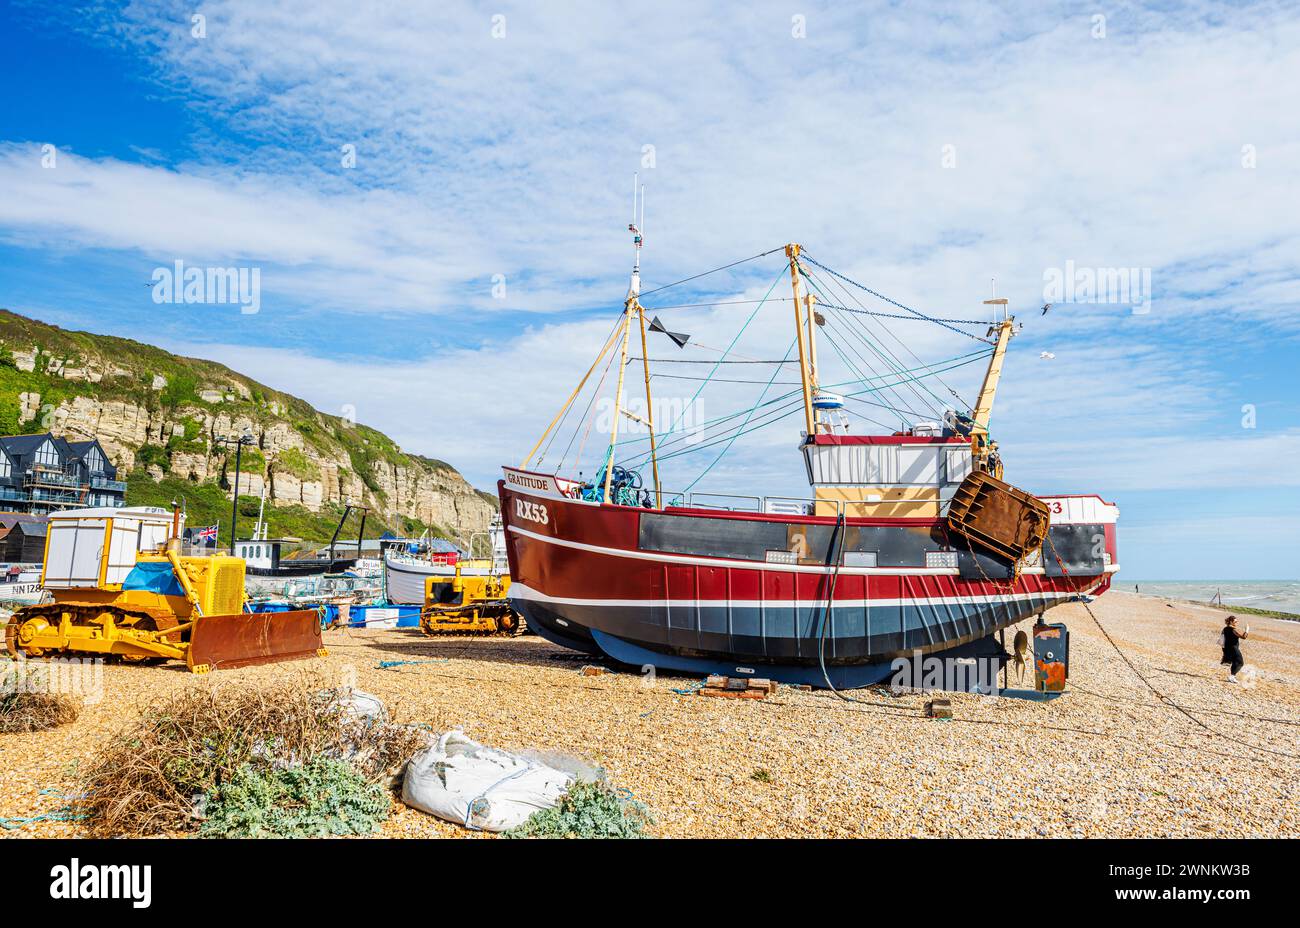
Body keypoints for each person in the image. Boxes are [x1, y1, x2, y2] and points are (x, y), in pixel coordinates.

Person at [1220, 615, 1249, 683]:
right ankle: (1232, 676)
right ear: (1231, 622)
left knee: (1235, 662)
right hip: (1233, 648)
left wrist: (1224, 650)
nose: (1236, 623)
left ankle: (1232, 677)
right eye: (1235, 621)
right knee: (1240, 662)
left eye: (1237, 621)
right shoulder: (1233, 630)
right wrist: (1247, 630)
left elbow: (1222, 639)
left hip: (1228, 648)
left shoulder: (1225, 629)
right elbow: (1243, 637)